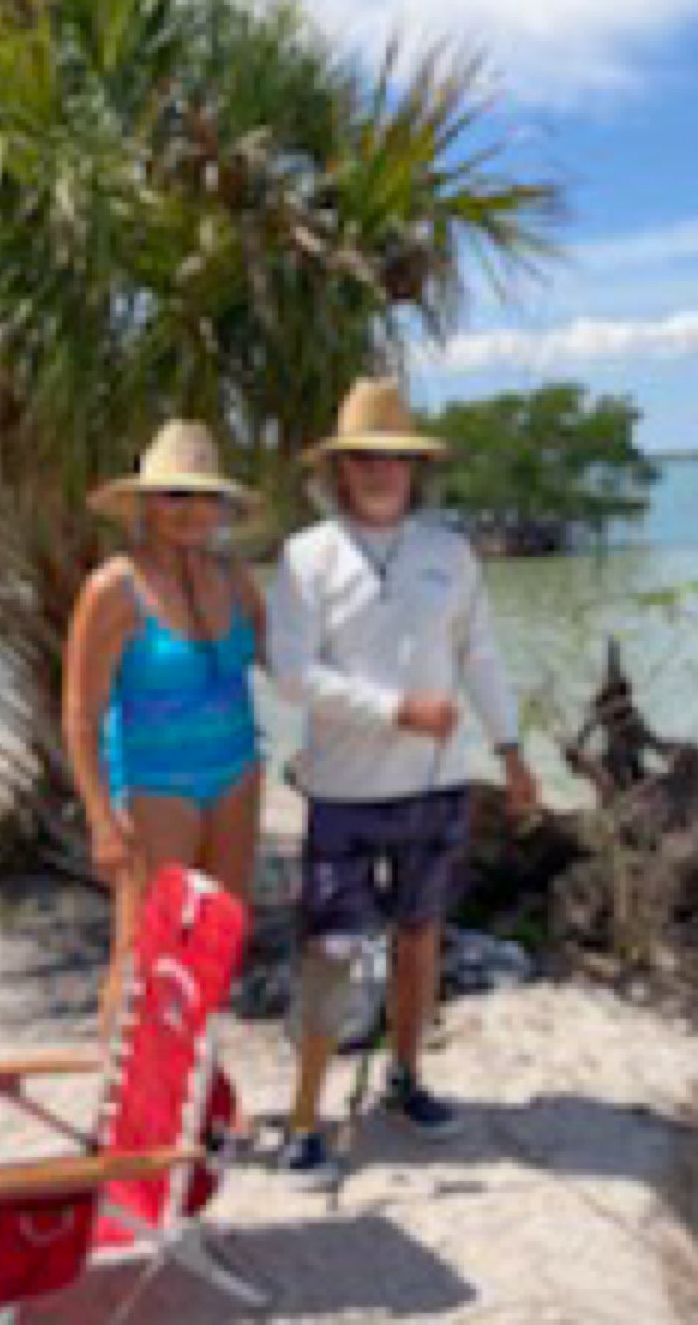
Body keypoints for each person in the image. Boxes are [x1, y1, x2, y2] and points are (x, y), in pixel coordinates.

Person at [267, 377, 539, 1187]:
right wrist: (395, 710)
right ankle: (308, 1118)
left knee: (421, 938)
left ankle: (407, 1078)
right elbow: (289, 675)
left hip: (438, 787)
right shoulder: (304, 556)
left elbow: (480, 658)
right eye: (365, 460)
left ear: (415, 471)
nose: (381, 472)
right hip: (343, 792)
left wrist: (514, 750)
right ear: (341, 470)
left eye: (396, 459)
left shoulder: (449, 553)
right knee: (331, 950)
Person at [63, 419, 266, 1035]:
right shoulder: (113, 589)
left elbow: (289, 660)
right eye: (176, 495)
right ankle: (121, 1107)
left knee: (216, 941)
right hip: (156, 785)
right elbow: (80, 714)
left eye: (206, 496)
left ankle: (191, 1092)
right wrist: (101, 817)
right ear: (146, 504)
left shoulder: (235, 579)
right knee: (143, 952)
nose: (192, 510)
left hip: (236, 774)